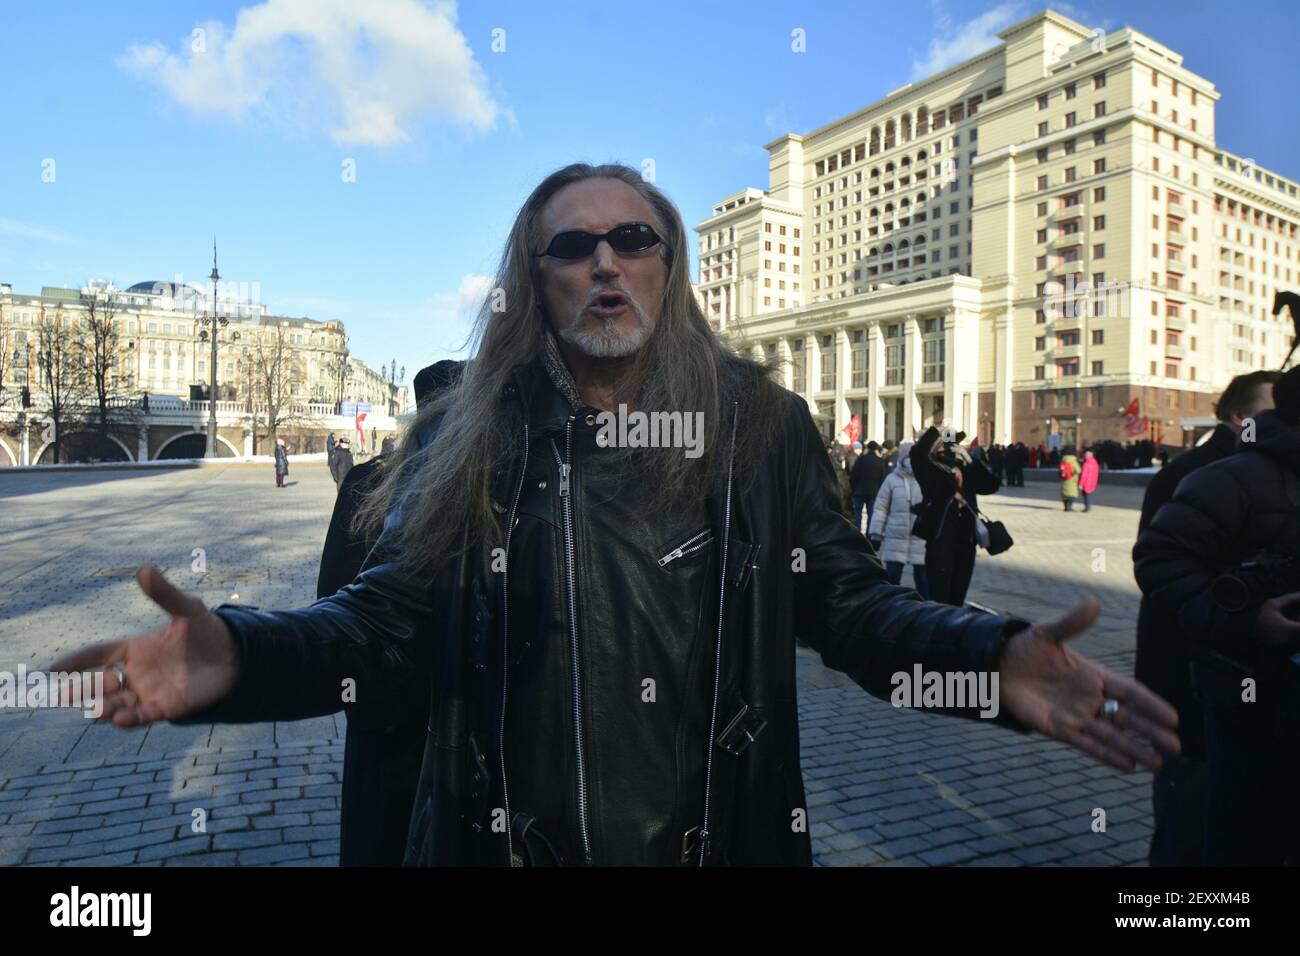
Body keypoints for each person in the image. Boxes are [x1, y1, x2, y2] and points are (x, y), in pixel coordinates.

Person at [53, 162, 1177, 868]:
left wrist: (989, 659)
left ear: (670, 269)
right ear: (532, 279)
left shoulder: (760, 423)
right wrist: (239, 654)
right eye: (571, 245)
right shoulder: (464, 438)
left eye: (633, 240)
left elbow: (852, 610)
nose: (605, 263)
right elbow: (376, 626)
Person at [1134, 366, 1300, 866]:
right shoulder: (1213, 475)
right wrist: (1246, 619)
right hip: (1227, 703)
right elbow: (1161, 565)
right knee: (1203, 835)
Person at [909, 427, 1001, 606]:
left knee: (958, 599)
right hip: (941, 541)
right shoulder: (930, 468)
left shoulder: (964, 467)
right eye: (943, 444)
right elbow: (918, 454)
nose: (949, 447)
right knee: (940, 600)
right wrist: (937, 431)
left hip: (966, 542)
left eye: (951, 444)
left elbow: (991, 485)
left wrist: (971, 461)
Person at [868, 441, 929, 598]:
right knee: (892, 579)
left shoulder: (926, 479)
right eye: (907, 456)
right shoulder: (891, 480)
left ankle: (927, 610)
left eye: (913, 457)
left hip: (920, 538)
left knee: (923, 581)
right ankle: (891, 608)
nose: (910, 460)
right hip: (895, 537)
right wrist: (876, 533)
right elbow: (881, 508)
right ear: (901, 458)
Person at [849, 440, 886, 535]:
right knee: (871, 515)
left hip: (859, 490)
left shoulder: (861, 459)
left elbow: (853, 475)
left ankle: (857, 535)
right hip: (874, 492)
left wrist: (853, 489)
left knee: (857, 514)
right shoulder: (880, 461)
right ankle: (869, 536)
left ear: (867, 448)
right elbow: (883, 478)